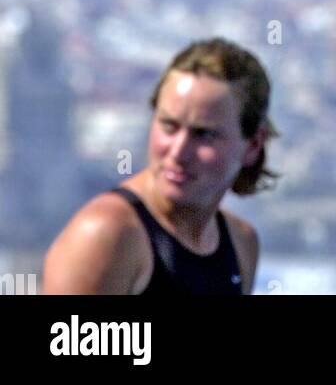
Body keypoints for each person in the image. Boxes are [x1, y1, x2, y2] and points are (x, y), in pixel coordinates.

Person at [42, 38, 276, 296]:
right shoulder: (106, 235)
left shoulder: (241, 242)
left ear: (253, 146)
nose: (178, 151)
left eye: (204, 135)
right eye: (169, 125)